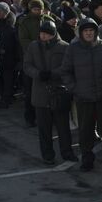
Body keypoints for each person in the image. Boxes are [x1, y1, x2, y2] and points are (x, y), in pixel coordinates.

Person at [61, 17, 102, 171]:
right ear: (80, 33)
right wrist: (75, 88)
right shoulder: (73, 49)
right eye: (85, 31)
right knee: (85, 131)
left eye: (91, 30)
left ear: (96, 31)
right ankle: (87, 161)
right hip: (84, 98)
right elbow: (65, 72)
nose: (88, 33)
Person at [23, 19, 74, 164]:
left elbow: (67, 66)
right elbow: (27, 65)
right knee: (44, 129)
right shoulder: (33, 46)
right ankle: (47, 155)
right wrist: (38, 74)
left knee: (63, 127)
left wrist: (52, 73)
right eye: (41, 34)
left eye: (46, 34)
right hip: (40, 93)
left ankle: (67, 152)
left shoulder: (64, 47)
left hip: (59, 92)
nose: (43, 36)